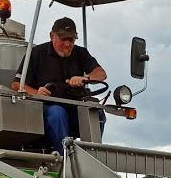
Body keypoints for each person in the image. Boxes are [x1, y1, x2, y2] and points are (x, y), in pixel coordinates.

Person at [13, 16, 107, 154]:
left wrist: (85, 78)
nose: (68, 44)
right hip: (46, 109)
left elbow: (101, 74)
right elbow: (16, 84)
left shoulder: (80, 53)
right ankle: (64, 158)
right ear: (52, 36)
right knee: (58, 113)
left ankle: (92, 156)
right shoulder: (36, 53)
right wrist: (37, 92)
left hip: (75, 108)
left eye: (71, 40)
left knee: (96, 113)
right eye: (64, 39)